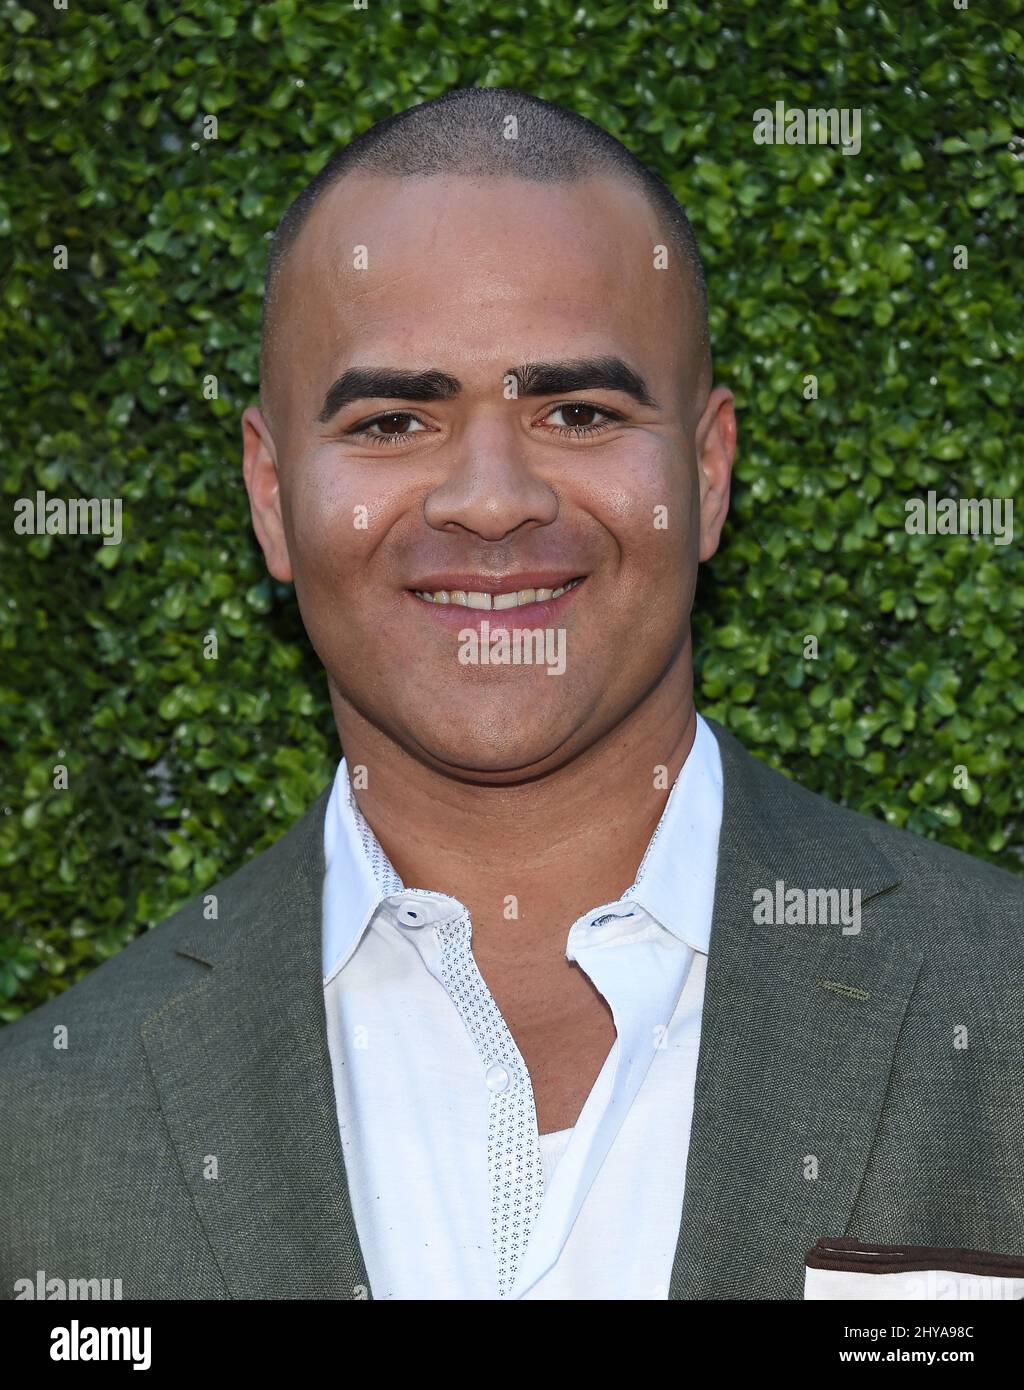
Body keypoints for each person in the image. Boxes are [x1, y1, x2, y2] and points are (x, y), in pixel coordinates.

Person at [2, 87, 1021, 1302]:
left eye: (578, 411)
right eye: (391, 421)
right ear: (271, 496)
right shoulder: (44, 1134)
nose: (490, 499)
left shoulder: (996, 1009)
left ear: (706, 469)